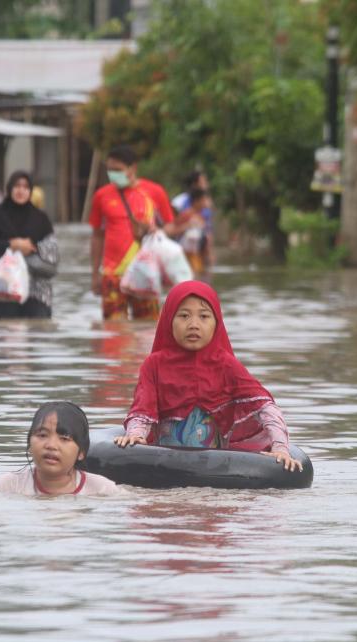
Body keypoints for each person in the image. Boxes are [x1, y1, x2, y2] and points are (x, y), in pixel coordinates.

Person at [113, 281, 302, 472]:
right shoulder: (154, 365)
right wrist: (135, 436)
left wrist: (280, 447)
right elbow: (142, 412)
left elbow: (265, 407)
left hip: (215, 470)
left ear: (216, 323)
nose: (194, 325)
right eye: (184, 316)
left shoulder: (227, 365)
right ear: (168, 320)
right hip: (166, 465)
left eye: (204, 316)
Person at [88, 145, 176, 321]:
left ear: (133, 168)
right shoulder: (101, 196)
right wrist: (95, 274)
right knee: (113, 331)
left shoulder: (154, 192)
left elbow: (170, 226)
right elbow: (97, 236)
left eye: (118, 170)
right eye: (110, 170)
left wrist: (156, 230)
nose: (113, 174)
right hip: (112, 273)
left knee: (148, 329)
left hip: (145, 271)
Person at [0, 402, 118, 497]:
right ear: (29, 443)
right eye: (42, 435)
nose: (51, 445)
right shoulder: (10, 485)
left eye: (64, 438)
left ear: (81, 452)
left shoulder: (101, 489)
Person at [0, 170, 59, 319]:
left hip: (37, 291)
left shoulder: (41, 218)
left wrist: (30, 248)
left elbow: (53, 252)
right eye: (17, 186)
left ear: (30, 190)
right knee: (6, 334)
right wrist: (12, 245)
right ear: (9, 188)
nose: (21, 190)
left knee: (36, 334)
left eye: (25, 187)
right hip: (3, 288)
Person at [167, 171, 215, 278]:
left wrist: (209, 254)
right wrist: (187, 226)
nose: (207, 202)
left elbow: (206, 235)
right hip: (183, 255)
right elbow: (170, 229)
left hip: (197, 256)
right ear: (197, 201)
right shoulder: (183, 209)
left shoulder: (202, 215)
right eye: (204, 200)